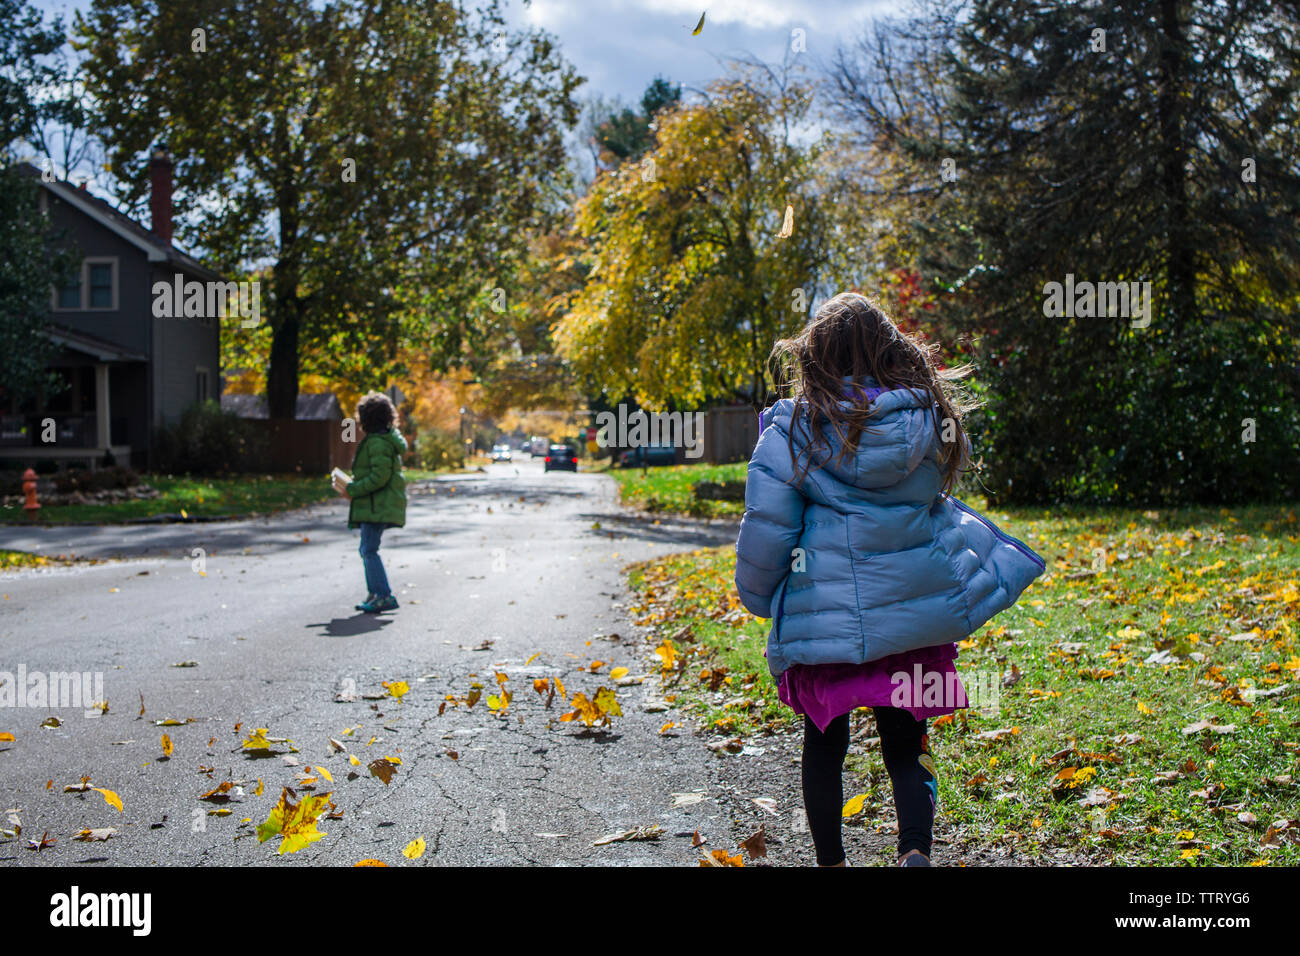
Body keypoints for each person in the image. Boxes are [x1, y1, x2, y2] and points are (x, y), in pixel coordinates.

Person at [734, 292, 1044, 867]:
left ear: (815, 356)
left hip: (824, 620)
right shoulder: (930, 419)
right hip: (913, 617)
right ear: (893, 350)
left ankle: (832, 862)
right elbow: (938, 499)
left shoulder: (791, 431)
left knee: (824, 742)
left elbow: (769, 530)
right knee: (907, 738)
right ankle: (915, 851)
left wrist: (756, 594)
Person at [334, 392, 407, 614]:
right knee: (367, 549)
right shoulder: (383, 440)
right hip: (377, 505)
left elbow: (380, 476)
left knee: (369, 549)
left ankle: (383, 595)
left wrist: (353, 488)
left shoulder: (377, 442)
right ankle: (376, 593)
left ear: (366, 419)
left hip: (377, 506)